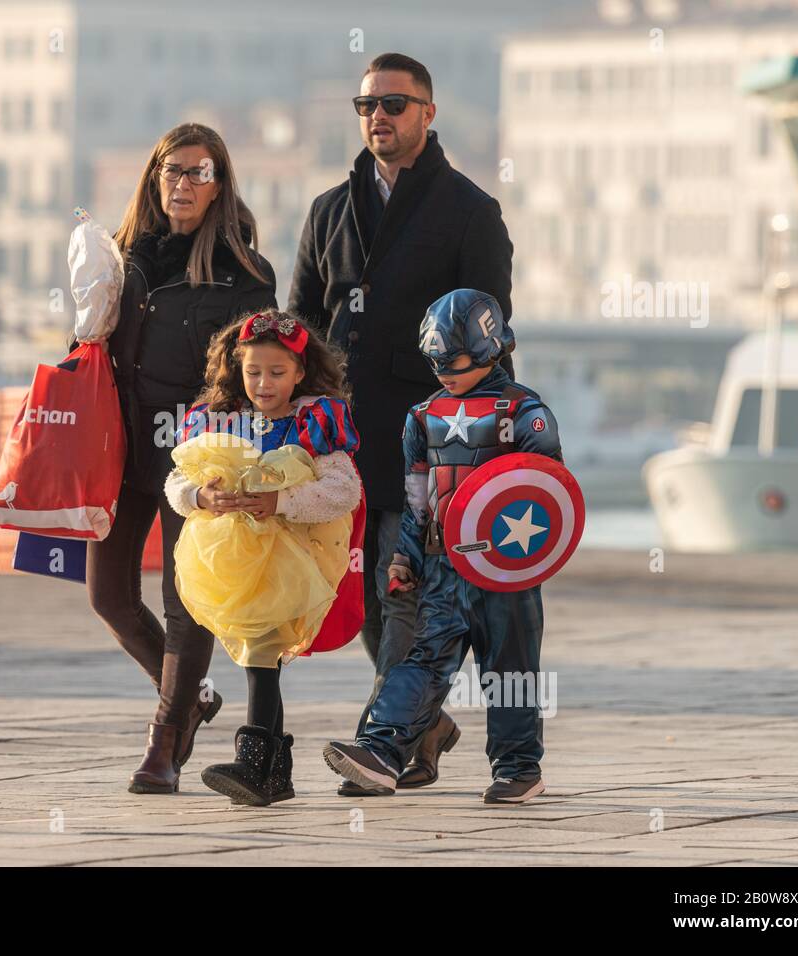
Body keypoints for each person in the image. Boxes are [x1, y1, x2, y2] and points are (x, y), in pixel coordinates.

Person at [288, 52, 515, 795]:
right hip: (341, 443)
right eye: (366, 106)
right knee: (359, 602)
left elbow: (489, 330)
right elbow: (301, 324)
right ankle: (426, 724)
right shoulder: (328, 209)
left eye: (393, 103)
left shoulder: (469, 211)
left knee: (403, 590)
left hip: (428, 442)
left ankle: (381, 743)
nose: (377, 117)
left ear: (428, 112)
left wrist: (485, 436)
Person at [72, 123, 277, 795]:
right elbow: (92, 345)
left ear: (220, 186)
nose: (182, 184)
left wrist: (228, 446)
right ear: (154, 178)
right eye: (172, 171)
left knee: (187, 599)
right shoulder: (122, 256)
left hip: (196, 452)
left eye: (198, 172)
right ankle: (189, 699)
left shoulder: (243, 274)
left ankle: (165, 742)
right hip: (121, 445)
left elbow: (254, 372)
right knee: (107, 596)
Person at [323, 289, 561, 804]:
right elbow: (416, 498)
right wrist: (405, 556)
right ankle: (381, 752)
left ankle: (519, 768)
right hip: (443, 564)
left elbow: (548, 493)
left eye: (451, 360)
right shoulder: (422, 416)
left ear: (489, 347)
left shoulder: (526, 412)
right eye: (433, 362)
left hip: (505, 569)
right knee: (423, 660)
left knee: (509, 669)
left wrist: (528, 558)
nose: (442, 372)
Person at [163, 309, 362, 806]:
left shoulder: (314, 420)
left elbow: (345, 491)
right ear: (237, 367)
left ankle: (257, 763)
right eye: (253, 372)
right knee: (263, 653)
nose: (263, 383)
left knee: (261, 652)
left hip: (292, 556)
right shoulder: (218, 418)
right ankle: (274, 771)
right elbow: (175, 483)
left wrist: (282, 501)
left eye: (277, 372)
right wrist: (201, 498)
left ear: (300, 371)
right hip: (234, 561)